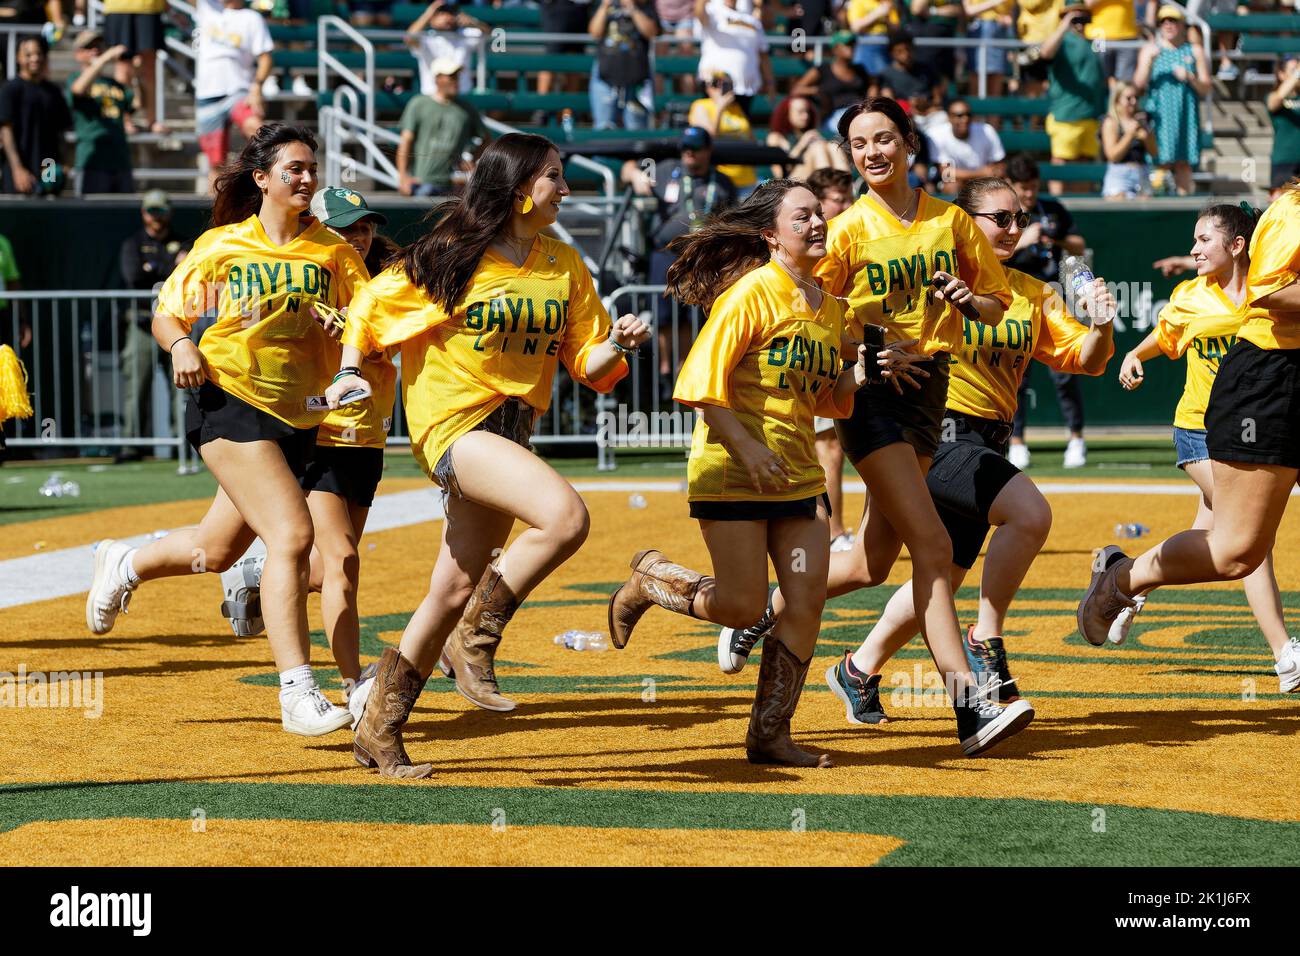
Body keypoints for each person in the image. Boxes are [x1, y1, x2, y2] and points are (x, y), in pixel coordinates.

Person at [327, 133, 650, 778]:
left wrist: (621, 342)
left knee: (449, 588)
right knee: (564, 518)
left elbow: (587, 362)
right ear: (518, 185)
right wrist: (348, 368)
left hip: (511, 431)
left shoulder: (561, 261)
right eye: (554, 177)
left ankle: (379, 728)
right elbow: (368, 309)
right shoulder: (450, 254)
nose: (565, 189)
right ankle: (474, 638)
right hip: (455, 424)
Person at [720, 97, 1032, 758]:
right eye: (860, 143)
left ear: (908, 142)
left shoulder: (951, 220)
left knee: (872, 559)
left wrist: (966, 300)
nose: (873, 153)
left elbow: (996, 301)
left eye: (884, 138)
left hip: (931, 393)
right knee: (932, 545)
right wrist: (867, 352)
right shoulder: (849, 229)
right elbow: (819, 315)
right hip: (876, 397)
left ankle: (762, 612)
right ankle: (969, 705)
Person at [84, 123, 370, 739]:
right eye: (293, 168)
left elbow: (361, 325)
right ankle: (297, 691)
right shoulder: (223, 245)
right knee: (292, 536)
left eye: (311, 167)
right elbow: (168, 313)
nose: (306, 177)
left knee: (216, 552)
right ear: (261, 179)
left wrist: (346, 350)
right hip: (228, 397)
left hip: (301, 414)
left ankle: (125, 562)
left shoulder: (334, 253)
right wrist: (184, 343)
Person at [831, 176, 1115, 726]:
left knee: (902, 571)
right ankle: (986, 640)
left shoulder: (1032, 293)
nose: (1013, 229)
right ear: (965, 222)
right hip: (936, 432)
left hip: (987, 441)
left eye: (1019, 218)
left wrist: (1103, 325)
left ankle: (855, 668)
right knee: (1029, 514)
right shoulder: (932, 279)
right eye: (998, 218)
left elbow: (1089, 358)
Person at [607, 179, 867, 767]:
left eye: (820, 215)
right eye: (802, 218)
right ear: (771, 236)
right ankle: (653, 580)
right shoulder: (748, 294)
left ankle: (769, 736)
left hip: (799, 479)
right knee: (743, 608)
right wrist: (749, 451)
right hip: (732, 471)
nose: (818, 224)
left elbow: (822, 398)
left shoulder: (829, 308)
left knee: (804, 602)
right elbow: (698, 389)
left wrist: (862, 376)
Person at [1076, 185, 1300, 696]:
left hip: (1264, 407)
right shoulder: (1194, 295)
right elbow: (1168, 335)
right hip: (1202, 426)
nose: (1195, 249)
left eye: (1205, 240)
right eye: (1193, 240)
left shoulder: (1259, 272)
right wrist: (1135, 353)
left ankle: (1124, 575)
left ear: (1238, 245)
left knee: (1225, 542)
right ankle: (1285, 652)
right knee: (1246, 544)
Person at [220, 186, 398, 727]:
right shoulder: (304, 278)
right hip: (316, 431)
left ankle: (253, 573)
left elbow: (396, 346)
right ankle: (353, 684)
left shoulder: (384, 282)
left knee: (225, 549)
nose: (356, 237)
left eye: (363, 226)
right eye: (344, 228)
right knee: (342, 561)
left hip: (366, 438)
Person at [621, 126, 737, 390]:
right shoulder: (665, 169)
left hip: (704, 257)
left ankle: (682, 369)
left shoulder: (721, 181)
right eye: (685, 147)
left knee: (690, 314)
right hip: (666, 253)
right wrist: (636, 175)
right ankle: (663, 372)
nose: (689, 153)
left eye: (695, 148)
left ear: (707, 151)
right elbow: (627, 166)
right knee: (663, 315)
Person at [1004, 152, 1090, 470]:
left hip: (1054, 298)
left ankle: (1077, 439)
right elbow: (988, 257)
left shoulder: (1051, 209)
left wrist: (1056, 239)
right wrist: (1023, 241)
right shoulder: (1003, 216)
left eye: (1032, 187)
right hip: (1016, 301)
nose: (1028, 193)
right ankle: (1016, 442)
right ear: (1011, 185)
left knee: (1065, 372)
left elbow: (1080, 244)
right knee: (1017, 376)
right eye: (1023, 188)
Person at [117, 190, 192, 462]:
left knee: (181, 386)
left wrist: (157, 269)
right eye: (151, 211)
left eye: (160, 211)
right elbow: (134, 276)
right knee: (136, 385)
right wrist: (169, 266)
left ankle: (182, 447)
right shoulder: (133, 244)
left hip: (175, 323)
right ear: (143, 213)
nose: (156, 217)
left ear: (169, 212)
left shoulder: (183, 241)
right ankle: (131, 446)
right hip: (142, 325)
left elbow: (187, 276)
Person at [806, 166, 857, 550]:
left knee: (832, 446)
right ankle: (833, 530)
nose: (843, 205)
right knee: (828, 446)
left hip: (841, 351)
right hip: (820, 354)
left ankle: (832, 528)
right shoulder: (812, 251)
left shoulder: (851, 238)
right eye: (836, 200)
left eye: (846, 197)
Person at [195, 0, 273, 191]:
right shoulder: (207, 8)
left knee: (260, 133)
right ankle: (218, 217)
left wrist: (257, 87)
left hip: (239, 91)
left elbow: (266, 57)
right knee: (216, 164)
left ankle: (268, 185)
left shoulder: (252, 17)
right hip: (207, 96)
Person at [1133, 5, 1210, 196]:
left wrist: (1190, 77)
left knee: (1184, 164)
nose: (1168, 25)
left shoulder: (1194, 51)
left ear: (1182, 25)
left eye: (1173, 21)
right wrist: (1148, 63)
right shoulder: (1150, 50)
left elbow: (1207, 88)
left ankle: (1184, 208)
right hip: (1159, 115)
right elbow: (1137, 86)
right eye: (1163, 21)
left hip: (1185, 115)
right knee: (1160, 161)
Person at [1040, 2, 1107, 196]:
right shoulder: (1062, 40)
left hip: (1090, 116)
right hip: (1065, 116)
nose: (1078, 18)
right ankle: (1057, 204)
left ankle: (1080, 209)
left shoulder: (1091, 41)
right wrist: (1065, 24)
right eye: (1073, 14)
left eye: (1081, 14)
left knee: (1084, 166)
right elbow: (1045, 52)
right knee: (1061, 163)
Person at [397, 58, 489, 197]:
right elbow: (406, 142)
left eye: (457, 76)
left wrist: (471, 159)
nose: (456, 81)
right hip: (422, 184)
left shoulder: (466, 109)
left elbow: (486, 139)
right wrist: (403, 177)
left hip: (453, 185)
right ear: (437, 78)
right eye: (451, 76)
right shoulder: (418, 104)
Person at [0, 36, 72, 196]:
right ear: (18, 57)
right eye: (28, 54)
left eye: (39, 54)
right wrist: (18, 169)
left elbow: (60, 133)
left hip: (48, 166)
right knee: (17, 218)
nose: (35, 59)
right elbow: (6, 131)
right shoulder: (10, 90)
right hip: (19, 170)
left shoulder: (53, 92)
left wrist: (65, 163)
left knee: (48, 210)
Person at [67, 31, 134, 195]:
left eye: (98, 46)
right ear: (78, 54)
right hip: (92, 162)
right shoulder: (75, 78)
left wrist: (135, 70)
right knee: (90, 217)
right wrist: (104, 59)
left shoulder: (115, 83)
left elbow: (136, 104)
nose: (95, 50)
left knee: (125, 218)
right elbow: (78, 90)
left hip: (121, 161)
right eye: (89, 47)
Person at [694, 0, 774, 129]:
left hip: (746, 86)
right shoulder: (713, 9)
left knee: (740, 130)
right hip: (718, 84)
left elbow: (763, 54)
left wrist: (770, 83)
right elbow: (699, 13)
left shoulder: (751, 19)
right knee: (716, 126)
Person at [588, 0, 659, 131]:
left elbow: (651, 32)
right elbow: (594, 32)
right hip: (606, 75)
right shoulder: (605, 5)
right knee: (603, 128)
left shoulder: (645, 5)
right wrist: (604, 6)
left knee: (637, 131)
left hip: (637, 78)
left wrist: (632, 8)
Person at [688, 68, 758, 198]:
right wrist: (720, 107)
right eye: (715, 83)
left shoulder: (737, 108)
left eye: (725, 84)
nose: (720, 88)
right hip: (718, 178)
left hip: (745, 178)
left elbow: (751, 140)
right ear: (708, 87)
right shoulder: (701, 106)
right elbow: (706, 138)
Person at [790, 30, 874, 135]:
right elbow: (796, 89)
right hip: (835, 117)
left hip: (859, 112)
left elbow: (872, 86)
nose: (852, 48)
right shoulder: (823, 70)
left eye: (853, 44)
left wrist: (872, 98)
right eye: (847, 45)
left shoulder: (860, 69)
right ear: (836, 49)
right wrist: (817, 91)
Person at [101, 0, 167, 133]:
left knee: (149, 68)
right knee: (123, 66)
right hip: (118, 7)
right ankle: (124, 119)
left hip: (149, 7)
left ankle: (152, 120)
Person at [405, 1, 486, 97]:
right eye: (441, 13)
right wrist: (428, 13)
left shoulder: (466, 34)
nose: (447, 17)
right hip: (432, 97)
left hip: (462, 97)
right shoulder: (426, 38)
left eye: (450, 13)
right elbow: (409, 38)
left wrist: (472, 22)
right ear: (432, 19)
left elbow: (493, 37)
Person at [926, 97, 1006, 194]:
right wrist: (982, 173)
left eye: (968, 114)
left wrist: (993, 172)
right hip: (959, 182)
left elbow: (999, 164)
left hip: (984, 182)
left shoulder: (987, 131)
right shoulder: (938, 135)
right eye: (959, 115)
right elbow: (947, 174)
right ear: (949, 118)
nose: (965, 119)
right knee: (952, 186)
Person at [767, 95, 846, 180]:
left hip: (813, 177)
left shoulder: (808, 133)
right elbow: (778, 174)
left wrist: (822, 142)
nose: (806, 116)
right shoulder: (775, 137)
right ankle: (828, 185)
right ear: (787, 113)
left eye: (807, 111)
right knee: (817, 148)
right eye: (800, 112)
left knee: (833, 147)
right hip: (789, 183)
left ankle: (845, 183)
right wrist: (802, 144)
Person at [1101, 81, 1156, 200]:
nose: (1134, 102)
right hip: (1119, 176)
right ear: (1117, 101)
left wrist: (1147, 135)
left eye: (1136, 97)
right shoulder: (1111, 122)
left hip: (1142, 174)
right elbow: (1112, 156)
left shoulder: (1142, 121)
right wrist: (1129, 135)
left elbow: (1154, 152)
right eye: (1128, 98)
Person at [876, 30, 942, 114]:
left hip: (929, 114)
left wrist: (926, 105)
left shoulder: (927, 69)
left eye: (908, 49)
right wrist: (908, 107)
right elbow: (889, 103)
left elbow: (937, 99)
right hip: (903, 116)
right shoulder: (886, 74)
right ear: (892, 53)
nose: (906, 54)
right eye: (899, 51)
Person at [537, 0, 592, 101]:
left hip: (580, 10)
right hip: (556, 8)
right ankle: (541, 108)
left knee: (575, 63)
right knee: (550, 61)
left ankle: (568, 112)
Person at [962, 0, 1015, 98]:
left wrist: (1008, 19)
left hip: (1001, 33)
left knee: (995, 85)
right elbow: (969, 10)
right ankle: (977, 113)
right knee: (976, 83)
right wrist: (995, 3)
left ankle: (993, 113)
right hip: (978, 32)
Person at [1084, 0, 1140, 84]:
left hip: (1127, 37)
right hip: (1098, 37)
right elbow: (1088, 3)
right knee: (1097, 78)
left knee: (1125, 84)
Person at [1267, 58, 1300, 197]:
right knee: (1282, 207)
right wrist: (1297, 73)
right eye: (1292, 70)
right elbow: (1274, 102)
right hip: (1284, 162)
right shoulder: (1273, 96)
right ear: (1281, 74)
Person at [845, 0, 901, 76]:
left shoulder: (887, 2)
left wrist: (886, 18)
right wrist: (876, 14)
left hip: (886, 45)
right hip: (866, 44)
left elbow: (896, 28)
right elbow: (855, 27)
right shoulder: (858, 2)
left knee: (887, 78)